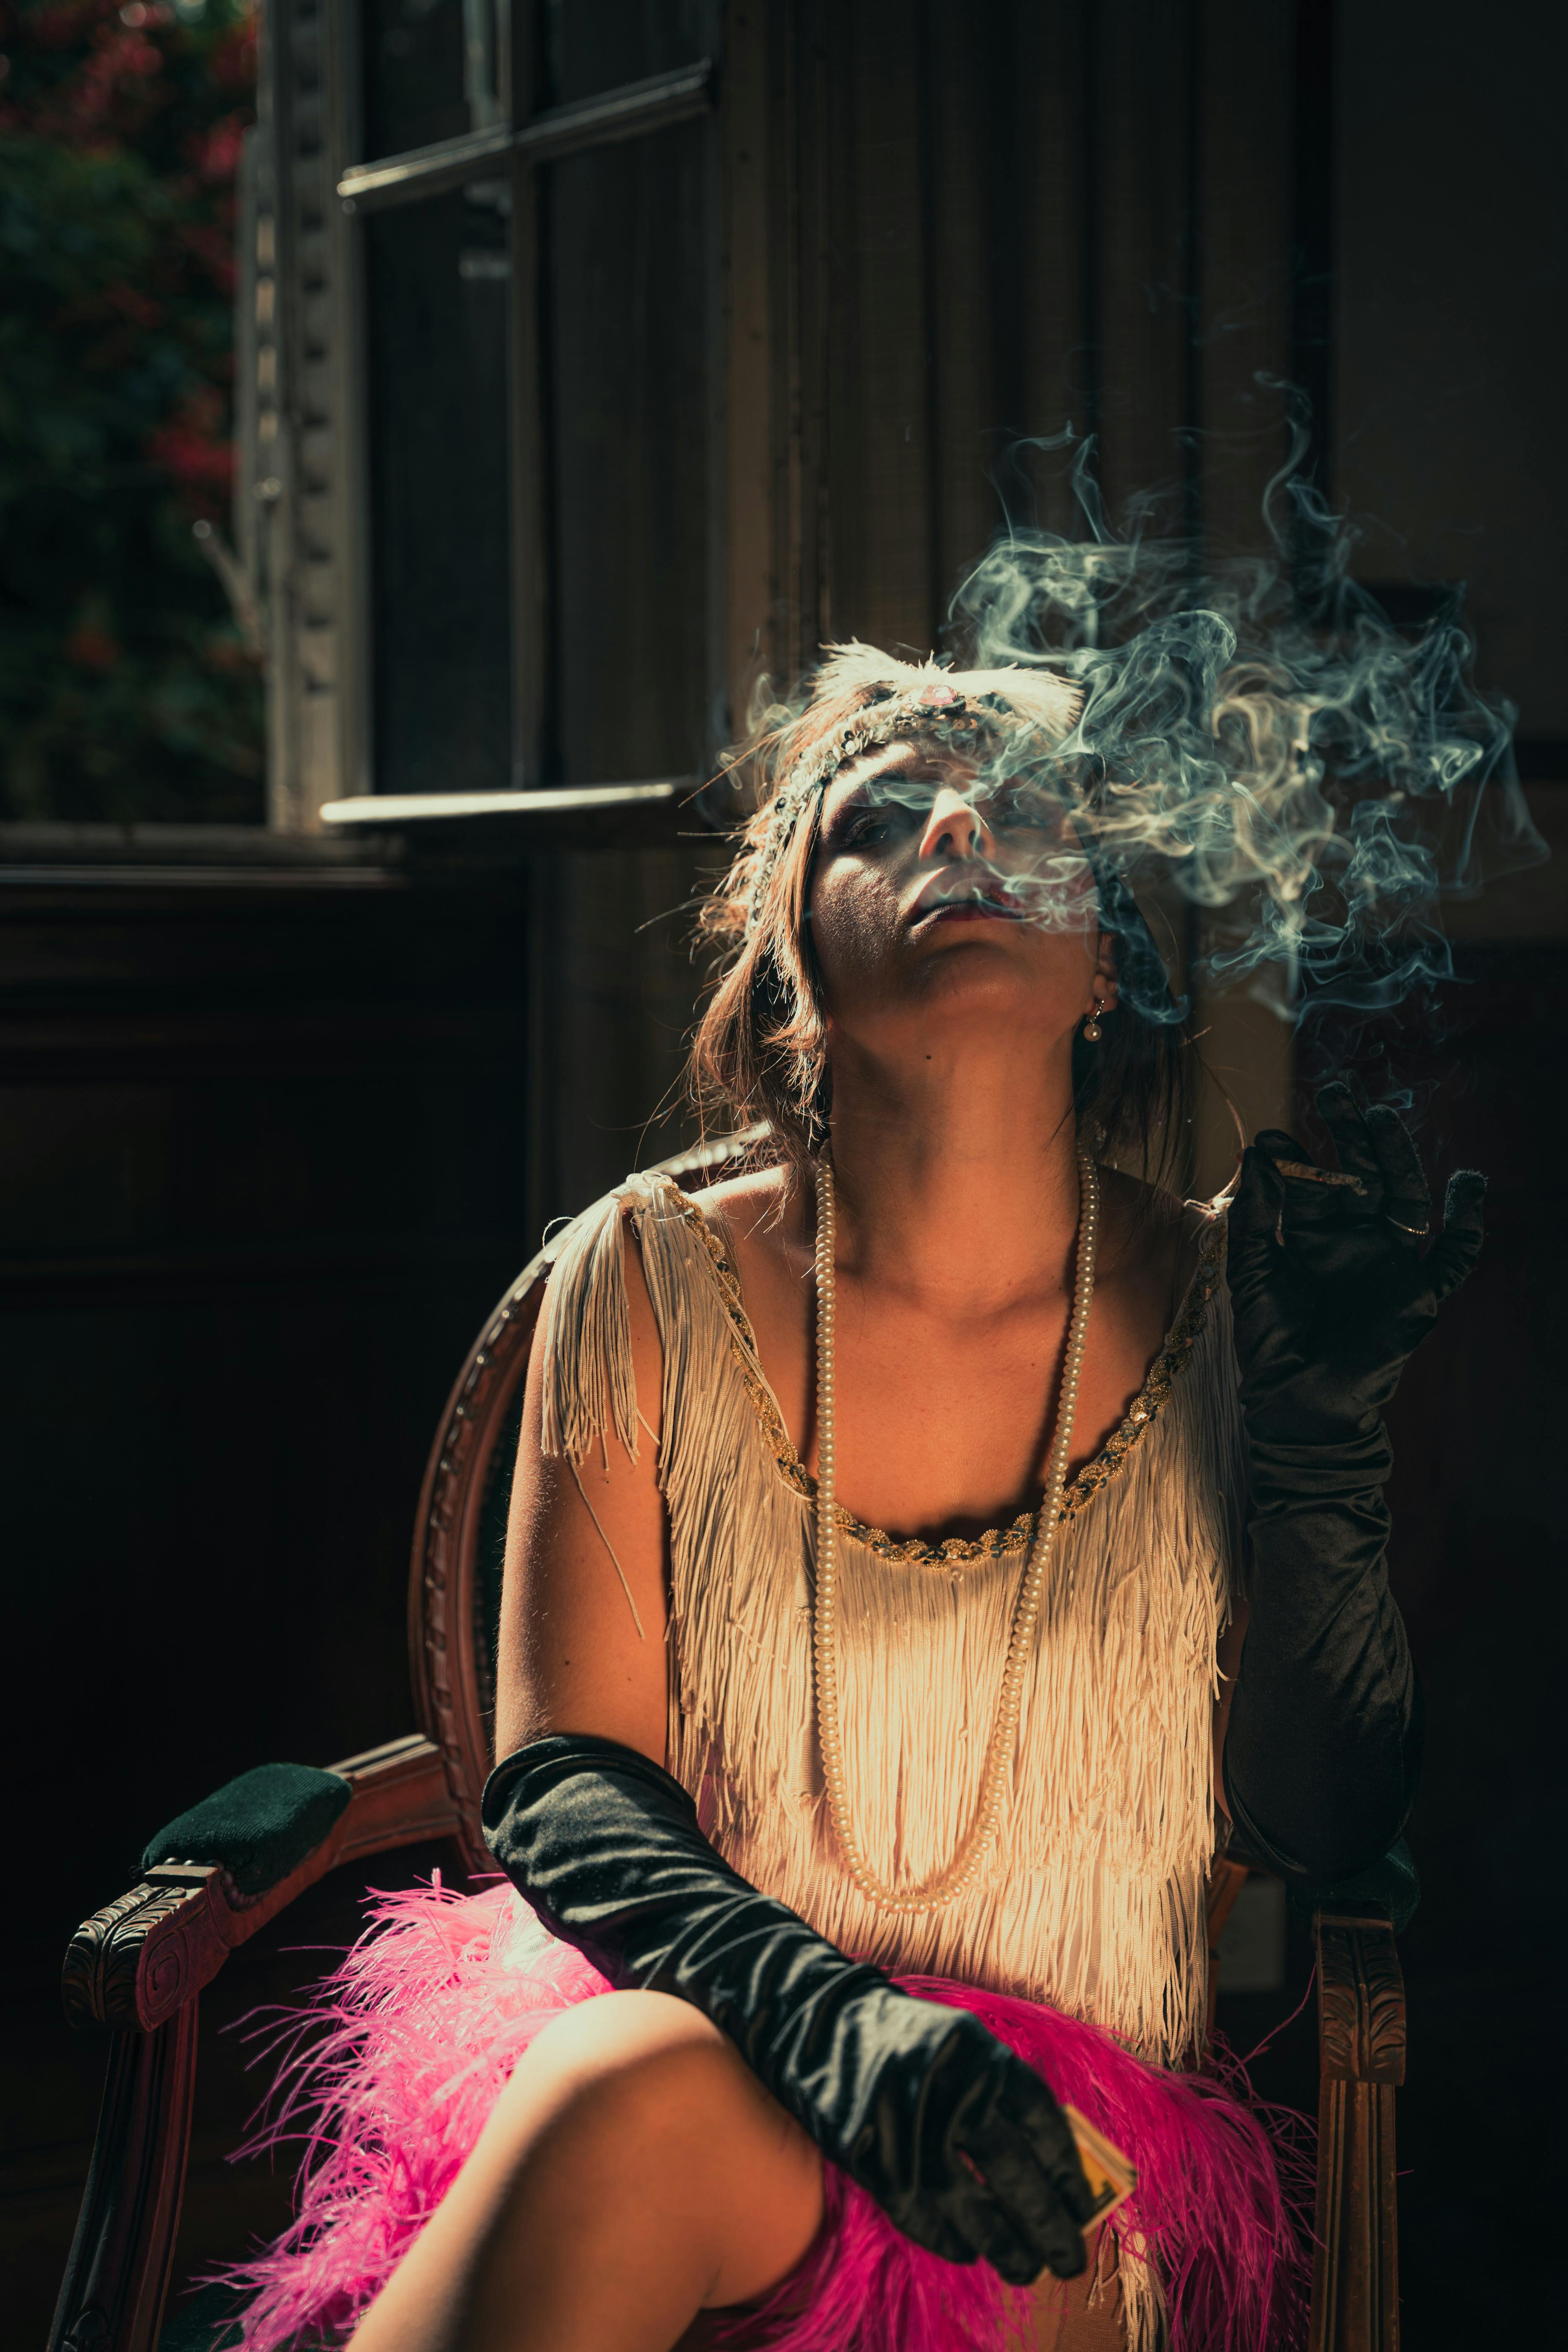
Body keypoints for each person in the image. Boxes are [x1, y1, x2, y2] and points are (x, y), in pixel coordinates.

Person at [230, 649, 1483, 2352]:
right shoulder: (643, 1273)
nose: (958, 817)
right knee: (633, 2079)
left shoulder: (1233, 1307)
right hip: (693, 2044)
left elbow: (1327, 1822)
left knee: (637, 2099)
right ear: (792, 966)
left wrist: (1328, 1455)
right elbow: (564, 1782)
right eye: (878, 816)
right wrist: (830, 2027)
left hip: (1047, 2170)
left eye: (1025, 807)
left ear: (1104, 954)